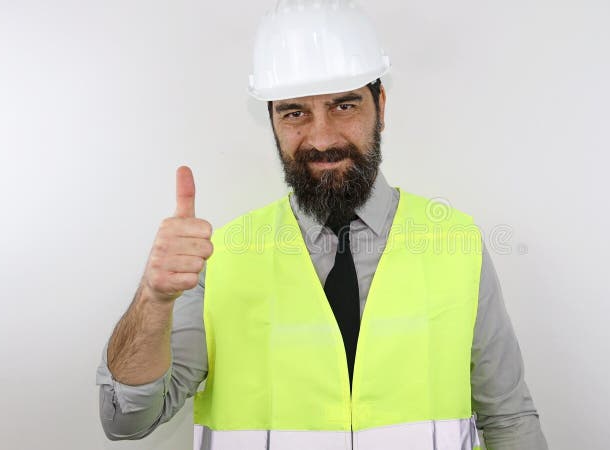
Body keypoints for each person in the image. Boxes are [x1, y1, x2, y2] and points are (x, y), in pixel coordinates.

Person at [96, 1, 548, 449]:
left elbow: (508, 420)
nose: (322, 137)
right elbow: (127, 419)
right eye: (295, 112)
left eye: (344, 105)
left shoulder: (458, 246)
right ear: (271, 120)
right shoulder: (220, 260)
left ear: (381, 106)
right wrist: (153, 301)